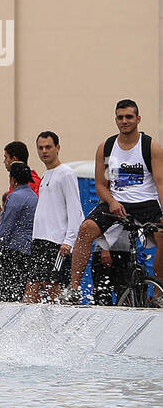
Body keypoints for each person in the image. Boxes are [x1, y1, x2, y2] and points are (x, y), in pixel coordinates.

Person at [68, 99, 163, 300]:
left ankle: (157, 295)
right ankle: (74, 289)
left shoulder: (150, 146)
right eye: (120, 117)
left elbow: (160, 183)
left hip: (146, 202)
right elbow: (101, 185)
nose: (124, 121)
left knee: (162, 237)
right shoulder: (107, 147)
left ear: (138, 119)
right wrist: (111, 202)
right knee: (86, 229)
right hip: (117, 201)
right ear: (115, 120)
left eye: (129, 117)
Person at [24, 131, 84, 303]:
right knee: (33, 285)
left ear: (57, 148)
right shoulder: (45, 175)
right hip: (39, 240)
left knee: (53, 286)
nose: (44, 151)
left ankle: (62, 323)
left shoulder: (66, 173)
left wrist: (69, 240)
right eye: (40, 148)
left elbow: (75, 210)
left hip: (57, 241)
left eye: (48, 147)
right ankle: (32, 325)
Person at [0, 162, 37, 301]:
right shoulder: (34, 197)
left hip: (14, 251)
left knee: (1, 290)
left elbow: (5, 229)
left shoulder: (15, 196)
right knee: (18, 290)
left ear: (13, 179)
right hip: (28, 250)